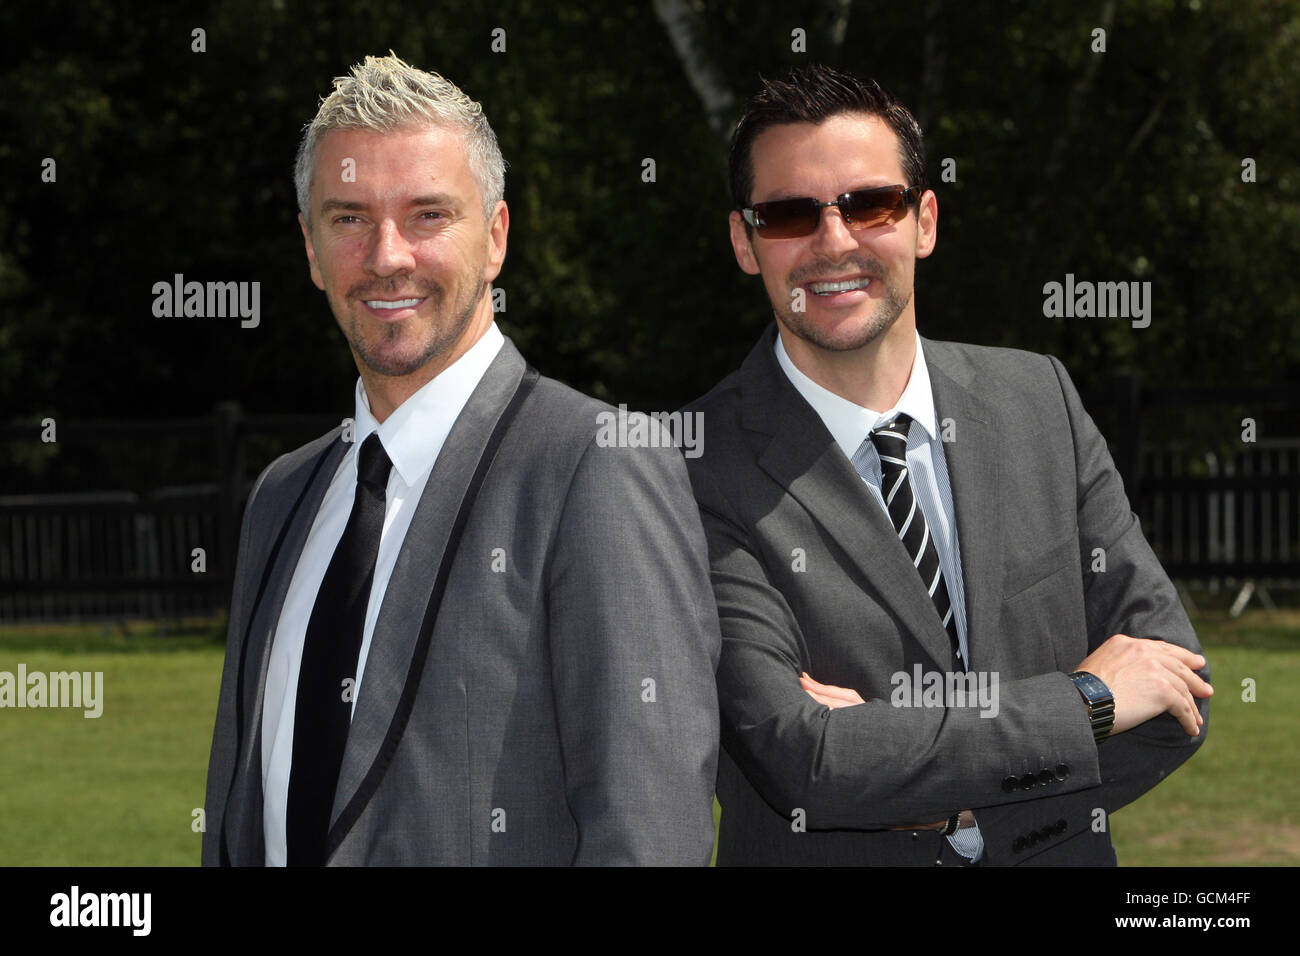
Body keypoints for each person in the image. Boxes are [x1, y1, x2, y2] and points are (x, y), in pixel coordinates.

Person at [684, 64, 1211, 866]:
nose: (834, 242)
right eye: (790, 214)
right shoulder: (684, 468)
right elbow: (807, 762)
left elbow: (1178, 695)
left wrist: (947, 804)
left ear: (924, 220)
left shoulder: (1041, 400)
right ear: (743, 243)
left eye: (871, 204)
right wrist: (1089, 701)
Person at [202, 54, 721, 866]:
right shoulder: (283, 496)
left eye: (427, 215)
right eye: (348, 218)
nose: (387, 256)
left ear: (495, 238)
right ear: (309, 247)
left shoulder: (597, 468)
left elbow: (646, 833)